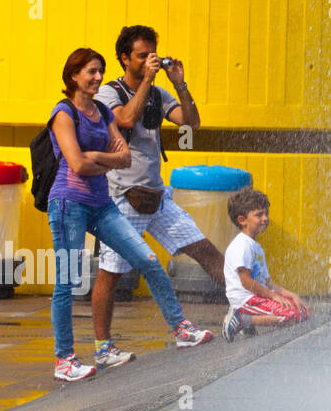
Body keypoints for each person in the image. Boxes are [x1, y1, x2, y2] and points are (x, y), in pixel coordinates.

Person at [47, 48, 213, 382]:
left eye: (99, 71)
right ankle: (65, 359)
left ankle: (181, 328)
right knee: (66, 283)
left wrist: (96, 155)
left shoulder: (103, 112)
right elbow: (76, 165)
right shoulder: (64, 113)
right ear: (73, 76)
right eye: (90, 72)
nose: (96, 77)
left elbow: (123, 159)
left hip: (101, 204)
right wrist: (102, 156)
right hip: (68, 204)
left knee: (148, 259)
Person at [89, 25, 222, 368]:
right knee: (111, 273)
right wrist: (147, 81)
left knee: (205, 251)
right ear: (124, 58)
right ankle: (103, 347)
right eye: (141, 55)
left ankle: (246, 307)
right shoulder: (108, 94)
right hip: (121, 198)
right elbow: (125, 119)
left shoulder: (160, 93)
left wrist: (179, 82)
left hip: (157, 197)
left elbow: (190, 124)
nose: (150, 59)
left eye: (153, 54)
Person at [221, 187, 310, 341]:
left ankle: (246, 321)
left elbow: (267, 282)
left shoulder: (256, 247)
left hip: (256, 297)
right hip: (245, 298)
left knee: (301, 311)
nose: (265, 218)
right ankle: (241, 319)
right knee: (291, 315)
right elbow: (246, 281)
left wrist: (290, 295)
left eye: (266, 214)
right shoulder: (242, 245)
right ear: (242, 220)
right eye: (259, 215)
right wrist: (273, 296)